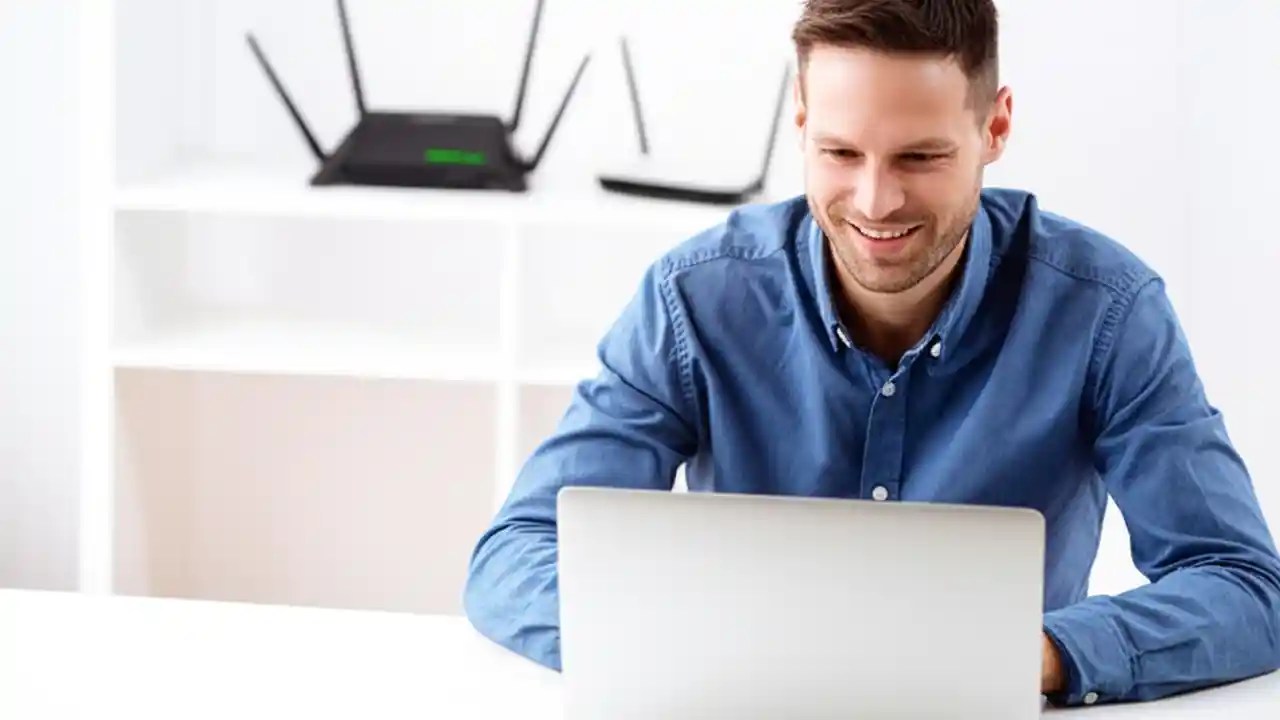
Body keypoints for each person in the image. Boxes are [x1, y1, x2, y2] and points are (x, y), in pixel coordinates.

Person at [464, 0, 1280, 706]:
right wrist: (686, 647)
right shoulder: (693, 300)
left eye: (920, 157)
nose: (875, 201)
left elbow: (1247, 588)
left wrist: (1031, 655)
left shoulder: (1106, 312)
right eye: (841, 152)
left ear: (995, 126)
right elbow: (514, 556)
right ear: (800, 122)